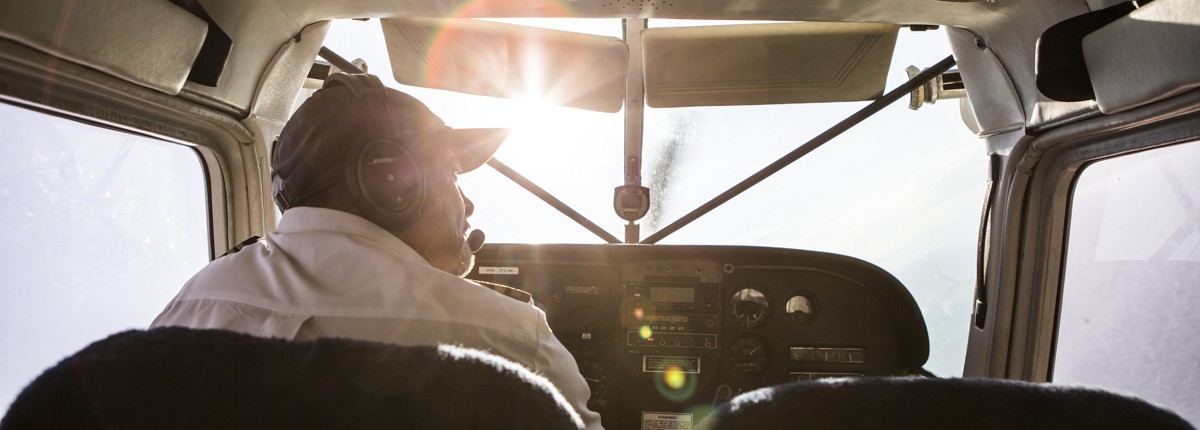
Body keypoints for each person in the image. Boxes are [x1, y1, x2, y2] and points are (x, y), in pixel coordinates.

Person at [152, 73, 602, 429]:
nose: (467, 204)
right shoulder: (511, 338)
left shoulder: (191, 304)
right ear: (389, 184)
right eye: (451, 174)